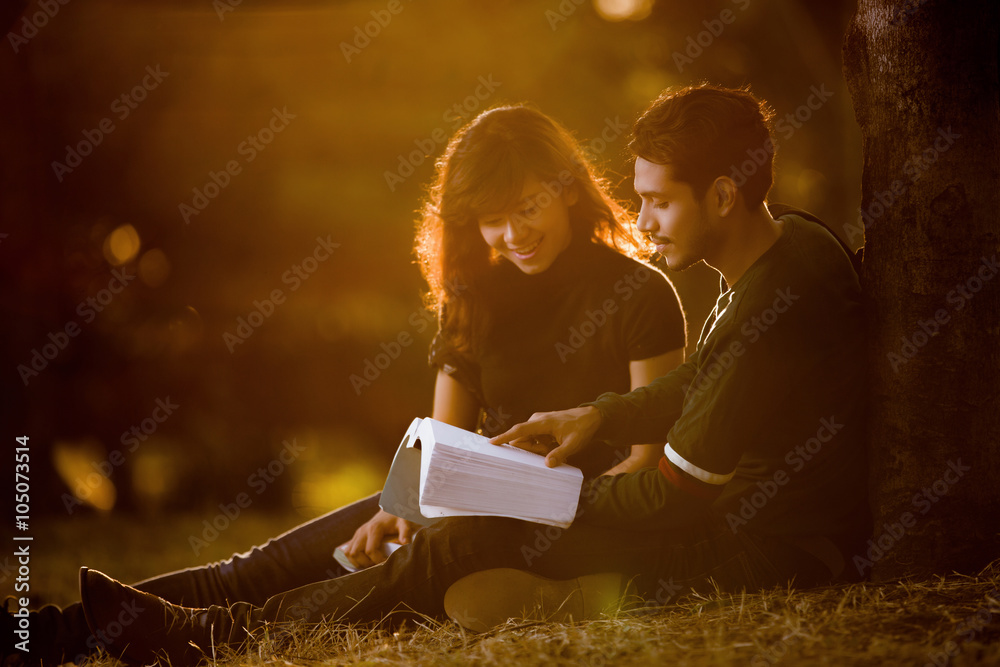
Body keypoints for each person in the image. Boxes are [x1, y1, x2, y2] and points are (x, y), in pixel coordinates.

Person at [67, 83, 870, 667]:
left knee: (461, 540)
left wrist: (527, 496)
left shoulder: (747, 297)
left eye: (658, 202)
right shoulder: (782, 247)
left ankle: (210, 639)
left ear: (723, 195)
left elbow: (673, 489)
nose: (646, 218)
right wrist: (593, 416)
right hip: (624, 501)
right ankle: (65, 628)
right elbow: (691, 389)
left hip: (735, 543)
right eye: (493, 217)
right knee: (314, 546)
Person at [2, 104, 686, 666]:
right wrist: (404, 503)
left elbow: (645, 460)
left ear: (567, 185)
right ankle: (45, 635)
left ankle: (212, 633)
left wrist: (542, 502)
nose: (513, 234)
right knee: (265, 561)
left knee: (411, 558)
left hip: (580, 521)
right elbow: (443, 437)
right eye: (491, 218)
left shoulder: (640, 294)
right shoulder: (476, 295)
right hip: (481, 501)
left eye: (528, 206)